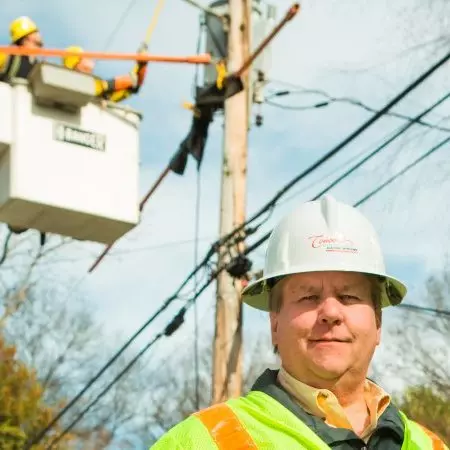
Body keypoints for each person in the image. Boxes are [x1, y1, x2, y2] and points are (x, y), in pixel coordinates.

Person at [150, 195, 448, 449]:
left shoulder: (428, 445)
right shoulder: (202, 441)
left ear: (378, 323)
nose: (330, 312)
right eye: (308, 297)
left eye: (348, 297)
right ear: (274, 323)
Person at [61, 45, 148, 103]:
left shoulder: (102, 93)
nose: (89, 57)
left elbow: (135, 84)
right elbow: (95, 88)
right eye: (84, 56)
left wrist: (142, 65)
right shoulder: (71, 85)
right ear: (76, 63)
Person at [0, 16, 43, 82]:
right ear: (26, 38)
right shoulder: (6, 55)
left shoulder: (37, 65)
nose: (39, 35)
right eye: (35, 32)